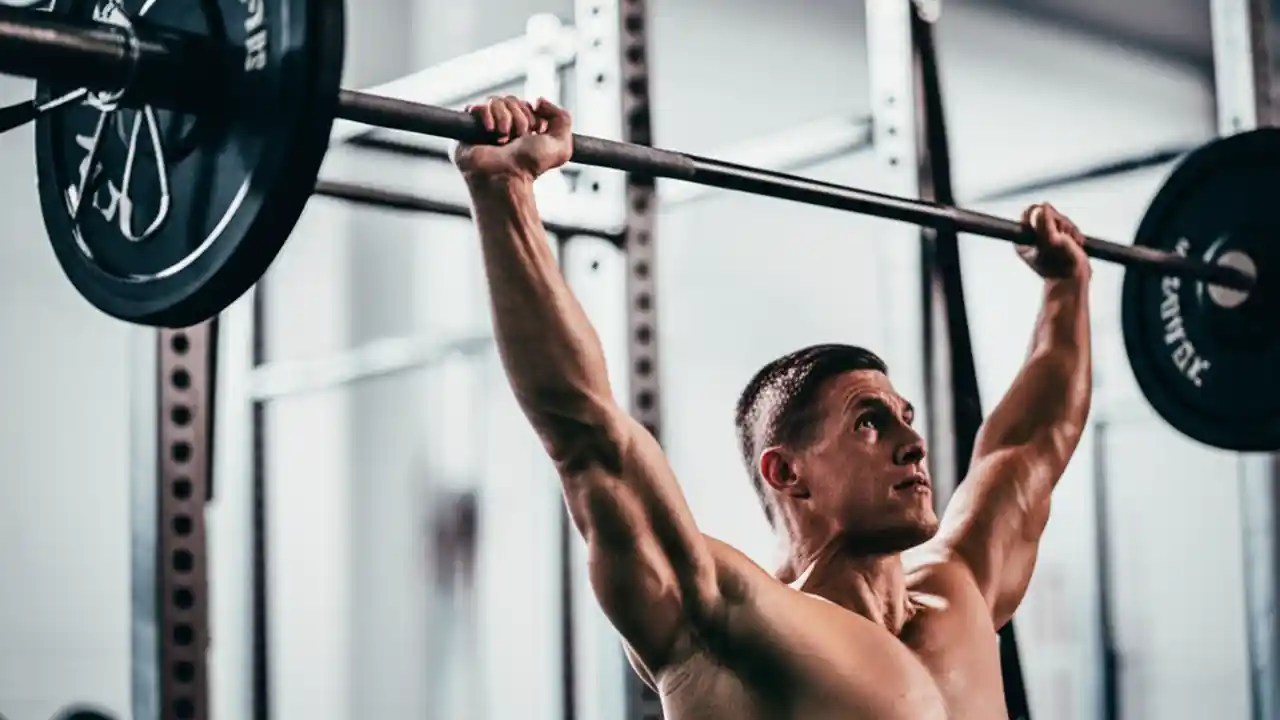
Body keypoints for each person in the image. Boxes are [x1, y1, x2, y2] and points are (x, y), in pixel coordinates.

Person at [455, 95, 1092, 719]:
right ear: (787, 471)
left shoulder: (961, 593)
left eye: (905, 418)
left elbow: (1029, 448)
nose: (913, 444)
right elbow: (588, 436)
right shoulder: (732, 628)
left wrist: (1067, 287)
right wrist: (504, 189)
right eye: (869, 422)